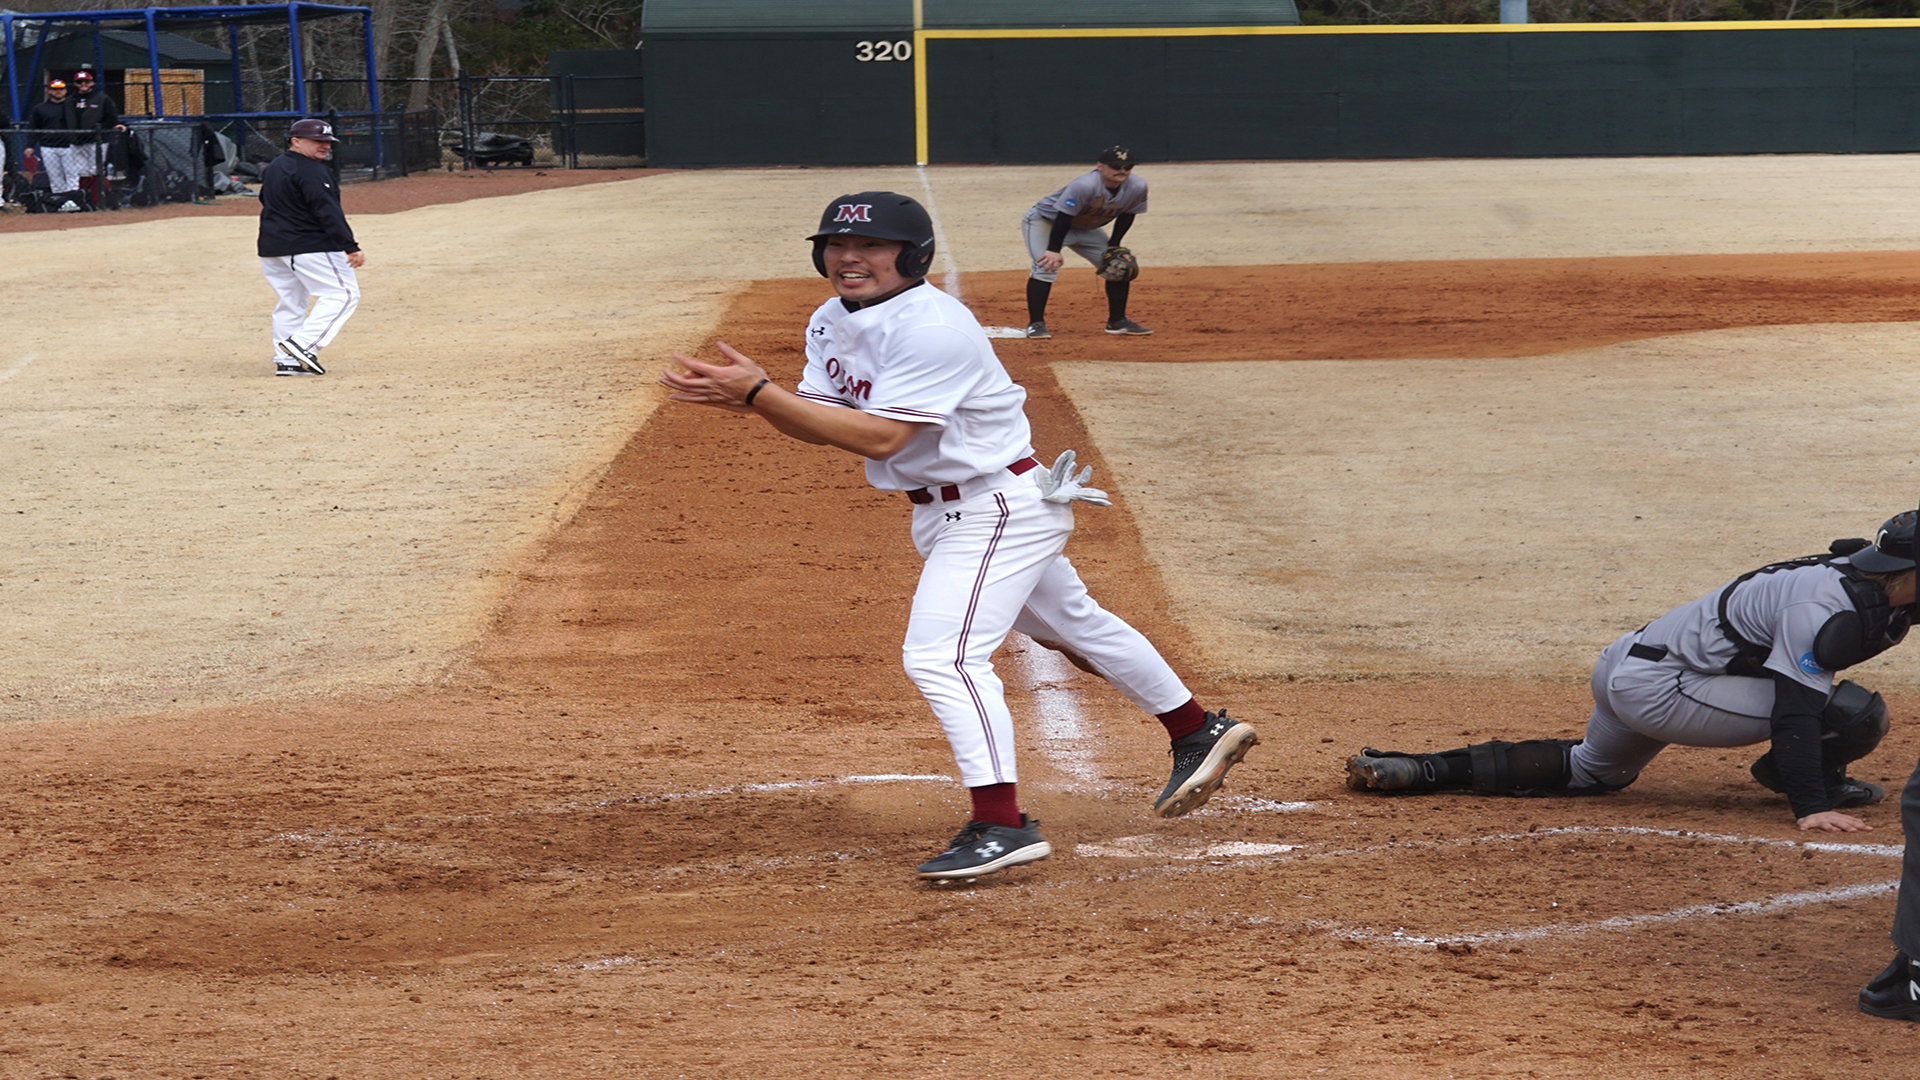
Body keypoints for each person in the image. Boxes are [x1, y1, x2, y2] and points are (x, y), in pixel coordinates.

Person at [659, 191, 1258, 881]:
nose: (848, 257)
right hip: (955, 509)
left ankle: (1001, 824)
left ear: (912, 256)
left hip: (995, 507)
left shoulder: (931, 326)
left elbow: (884, 436)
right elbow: (820, 411)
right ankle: (1195, 728)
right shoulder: (831, 319)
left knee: (942, 658)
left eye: (871, 246)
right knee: (1074, 624)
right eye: (835, 245)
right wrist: (754, 401)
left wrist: (760, 395)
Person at [1345, 512, 1918, 833]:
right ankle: (1813, 784)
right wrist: (1810, 806)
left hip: (1626, 664)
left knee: (1590, 773)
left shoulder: (1856, 573)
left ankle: (1418, 769)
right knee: (1846, 712)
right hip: (1667, 691)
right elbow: (1795, 708)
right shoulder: (1823, 610)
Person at [257, 118, 363, 376]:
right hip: (309, 246)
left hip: (273, 248)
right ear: (296, 141)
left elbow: (264, 199)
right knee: (344, 294)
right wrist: (349, 245)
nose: (325, 145)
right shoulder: (312, 171)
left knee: (291, 302)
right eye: (318, 141)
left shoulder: (275, 166)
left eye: (327, 141)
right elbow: (327, 210)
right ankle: (302, 345)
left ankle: (287, 360)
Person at [1022, 145, 1152, 340]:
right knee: (1046, 265)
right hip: (1048, 222)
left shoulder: (1137, 186)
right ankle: (1036, 324)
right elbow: (1063, 217)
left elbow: (1127, 214)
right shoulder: (1085, 185)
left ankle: (1117, 321)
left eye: (1127, 166)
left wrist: (1114, 245)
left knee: (1119, 265)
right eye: (1115, 166)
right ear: (1100, 166)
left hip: (1085, 228)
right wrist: (1053, 249)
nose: (1122, 171)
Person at [65, 69, 124, 200]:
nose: (83, 84)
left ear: (92, 83)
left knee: (96, 169)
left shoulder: (102, 98)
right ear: (75, 84)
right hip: (77, 141)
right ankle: (83, 199)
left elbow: (111, 117)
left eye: (86, 81)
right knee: (80, 171)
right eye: (79, 82)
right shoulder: (70, 100)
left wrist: (99, 129)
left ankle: (99, 199)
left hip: (97, 140)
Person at [27, 79, 85, 203]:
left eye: (61, 89)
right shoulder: (40, 108)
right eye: (54, 89)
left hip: (70, 146)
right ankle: (59, 200)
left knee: (72, 174)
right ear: (49, 91)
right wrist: (30, 146)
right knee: (54, 176)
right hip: (48, 146)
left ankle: (73, 199)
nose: (58, 92)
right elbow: (33, 128)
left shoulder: (73, 106)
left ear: (65, 90)